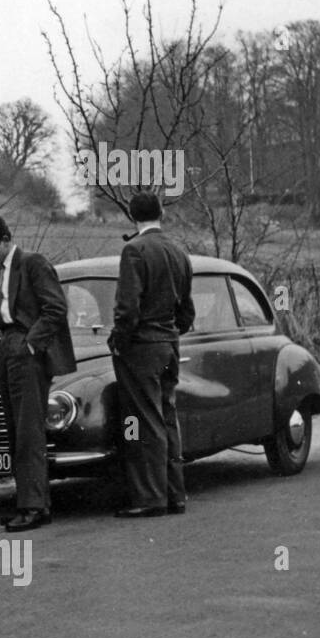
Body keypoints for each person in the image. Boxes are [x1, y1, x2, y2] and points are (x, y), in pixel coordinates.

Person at [0, 214, 76, 532]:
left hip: (25, 350)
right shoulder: (1, 271)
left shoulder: (33, 263)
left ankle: (34, 506)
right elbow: (5, 308)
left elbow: (55, 308)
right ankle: (27, 503)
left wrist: (31, 345)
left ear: (5, 239)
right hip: (7, 347)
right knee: (16, 430)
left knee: (29, 432)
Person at [109, 193, 195, 518]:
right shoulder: (178, 251)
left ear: (133, 215)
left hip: (141, 347)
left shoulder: (134, 250)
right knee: (168, 417)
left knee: (144, 421)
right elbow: (187, 310)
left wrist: (119, 340)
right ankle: (175, 494)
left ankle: (150, 497)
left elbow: (127, 307)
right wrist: (172, 333)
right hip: (169, 344)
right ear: (161, 213)